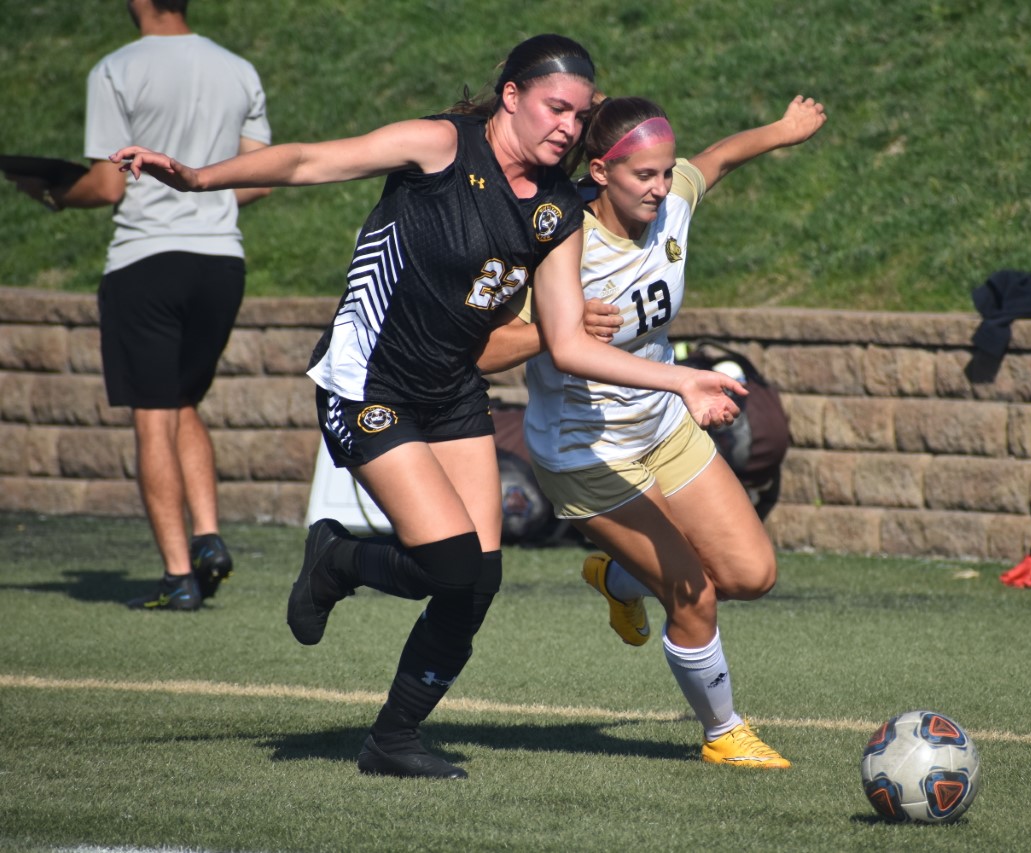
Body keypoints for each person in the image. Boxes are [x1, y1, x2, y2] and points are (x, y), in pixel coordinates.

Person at [112, 34, 745, 780]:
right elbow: (308, 160)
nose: (568, 127)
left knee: (476, 581)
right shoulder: (441, 145)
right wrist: (198, 178)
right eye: (555, 108)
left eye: (578, 115)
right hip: (368, 383)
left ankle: (393, 738)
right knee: (449, 564)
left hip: (451, 391)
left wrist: (682, 381)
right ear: (511, 95)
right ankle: (338, 557)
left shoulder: (555, 212)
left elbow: (568, 344)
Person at [475, 94, 827, 768]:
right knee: (693, 594)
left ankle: (619, 579)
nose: (661, 187)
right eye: (644, 175)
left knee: (752, 575)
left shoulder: (671, 204)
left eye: (666, 172)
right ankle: (723, 733)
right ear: (601, 173)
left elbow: (717, 160)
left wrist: (784, 130)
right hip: (586, 453)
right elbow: (485, 350)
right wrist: (555, 329)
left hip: (664, 427)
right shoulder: (559, 238)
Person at [3, 0, 272, 612]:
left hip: (146, 261)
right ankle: (208, 538)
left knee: (153, 415)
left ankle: (178, 576)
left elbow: (106, 186)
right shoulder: (238, 68)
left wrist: (51, 193)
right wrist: (204, 202)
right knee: (183, 401)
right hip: (221, 263)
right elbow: (257, 177)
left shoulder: (116, 69)